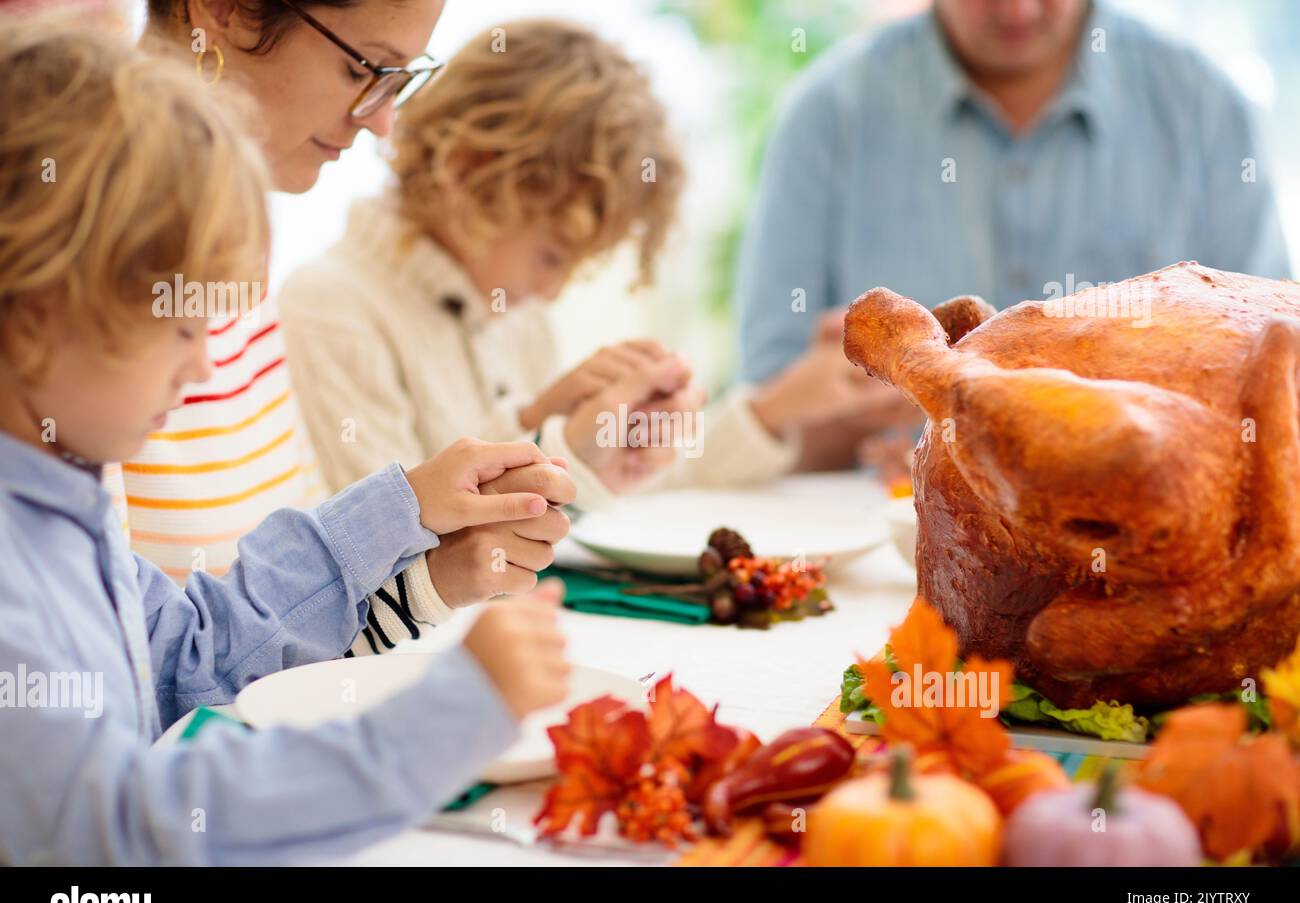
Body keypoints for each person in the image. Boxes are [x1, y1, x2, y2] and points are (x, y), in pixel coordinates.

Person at [0, 23, 572, 865]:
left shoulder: (65, 499)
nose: (201, 364)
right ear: (37, 311)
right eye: (180, 324)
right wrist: (437, 723)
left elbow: (189, 661)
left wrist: (401, 509)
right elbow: (108, 835)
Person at [118, 0, 662, 651]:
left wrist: (435, 578)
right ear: (224, 9)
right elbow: (170, 675)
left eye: (401, 78)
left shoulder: (237, 230)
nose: (382, 121)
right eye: (363, 68)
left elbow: (286, 630)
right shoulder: (87, 261)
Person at [280, 19, 887, 500]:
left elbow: (623, 488)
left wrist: (774, 407)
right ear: (468, 172)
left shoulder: (512, 319)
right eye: (551, 256)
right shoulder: (334, 310)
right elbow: (384, 563)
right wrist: (554, 432)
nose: (552, 291)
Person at [737, 0, 1292, 466]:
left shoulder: (1205, 107)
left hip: (1147, 532)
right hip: (885, 548)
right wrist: (845, 404)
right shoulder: (827, 115)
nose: (1018, 9)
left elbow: (1275, 373)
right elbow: (770, 404)